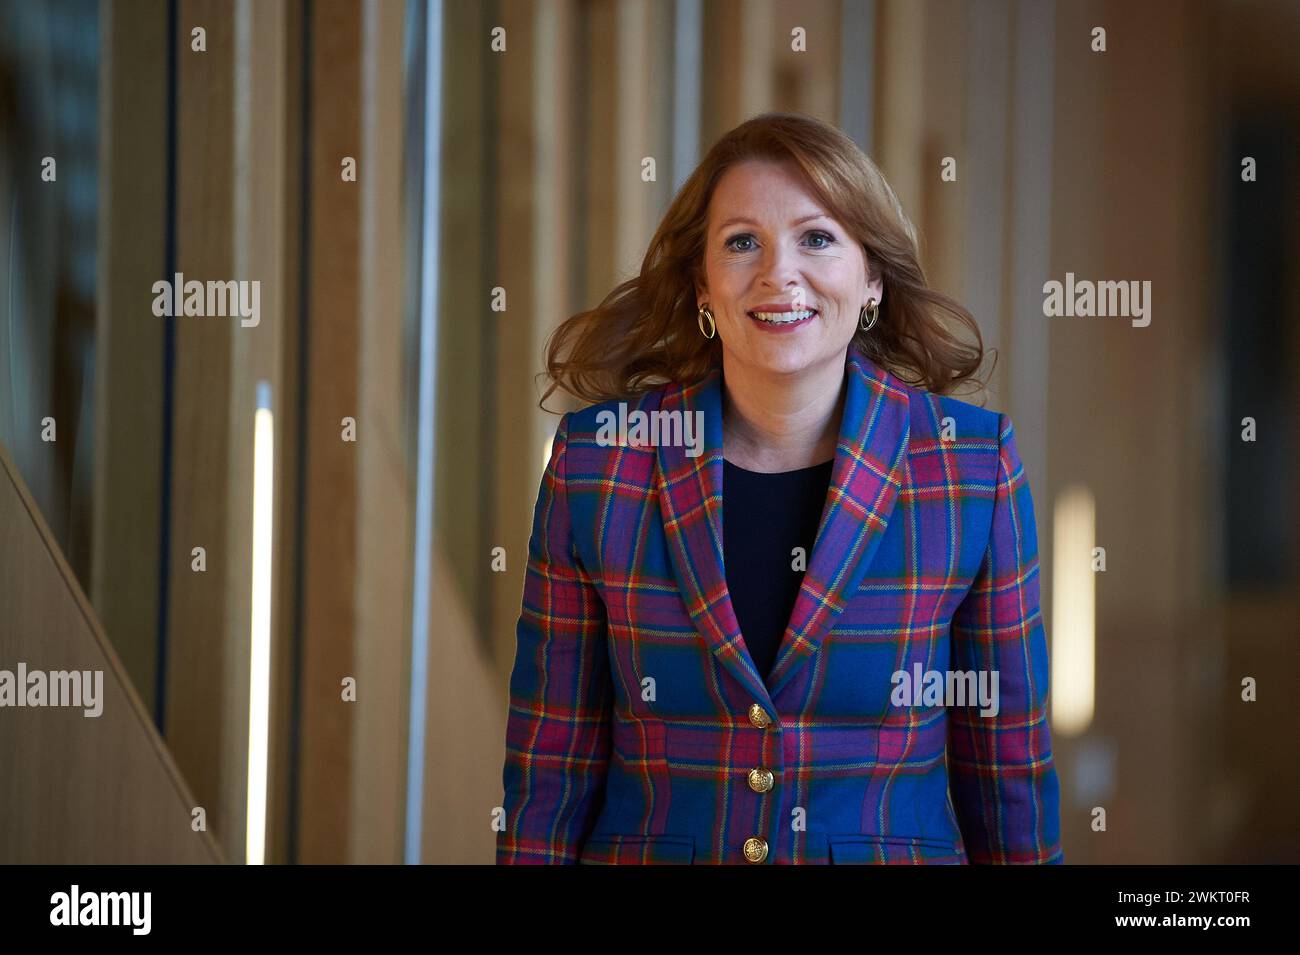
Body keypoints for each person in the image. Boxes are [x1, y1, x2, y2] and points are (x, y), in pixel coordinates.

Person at [497, 111, 1062, 865]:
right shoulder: (599, 463)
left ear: (872, 277)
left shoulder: (970, 470)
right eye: (742, 243)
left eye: (816, 237)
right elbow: (548, 770)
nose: (778, 275)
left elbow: (1007, 776)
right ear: (703, 281)